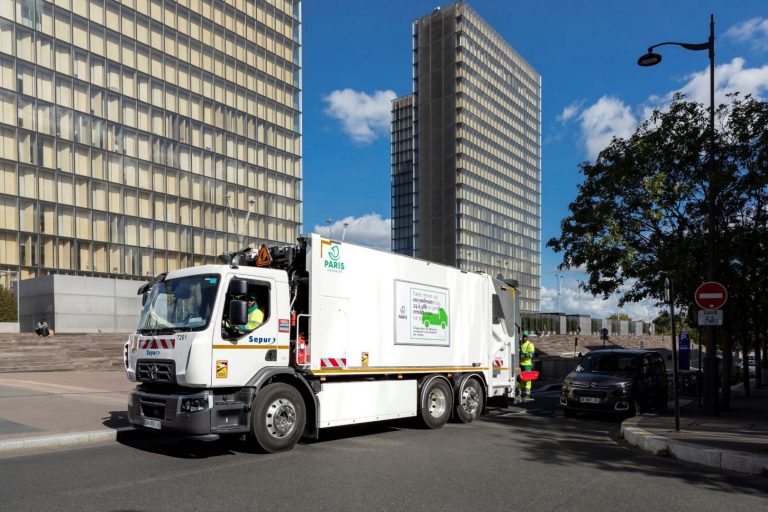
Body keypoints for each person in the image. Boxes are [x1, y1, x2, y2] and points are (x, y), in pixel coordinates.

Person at [520, 331, 535, 400]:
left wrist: (524, 354)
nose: (524, 337)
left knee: (527, 379)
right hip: (521, 364)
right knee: (521, 379)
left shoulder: (530, 345)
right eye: (523, 336)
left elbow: (531, 355)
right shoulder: (521, 344)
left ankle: (527, 393)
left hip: (527, 364)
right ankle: (520, 392)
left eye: (525, 336)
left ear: (527, 337)